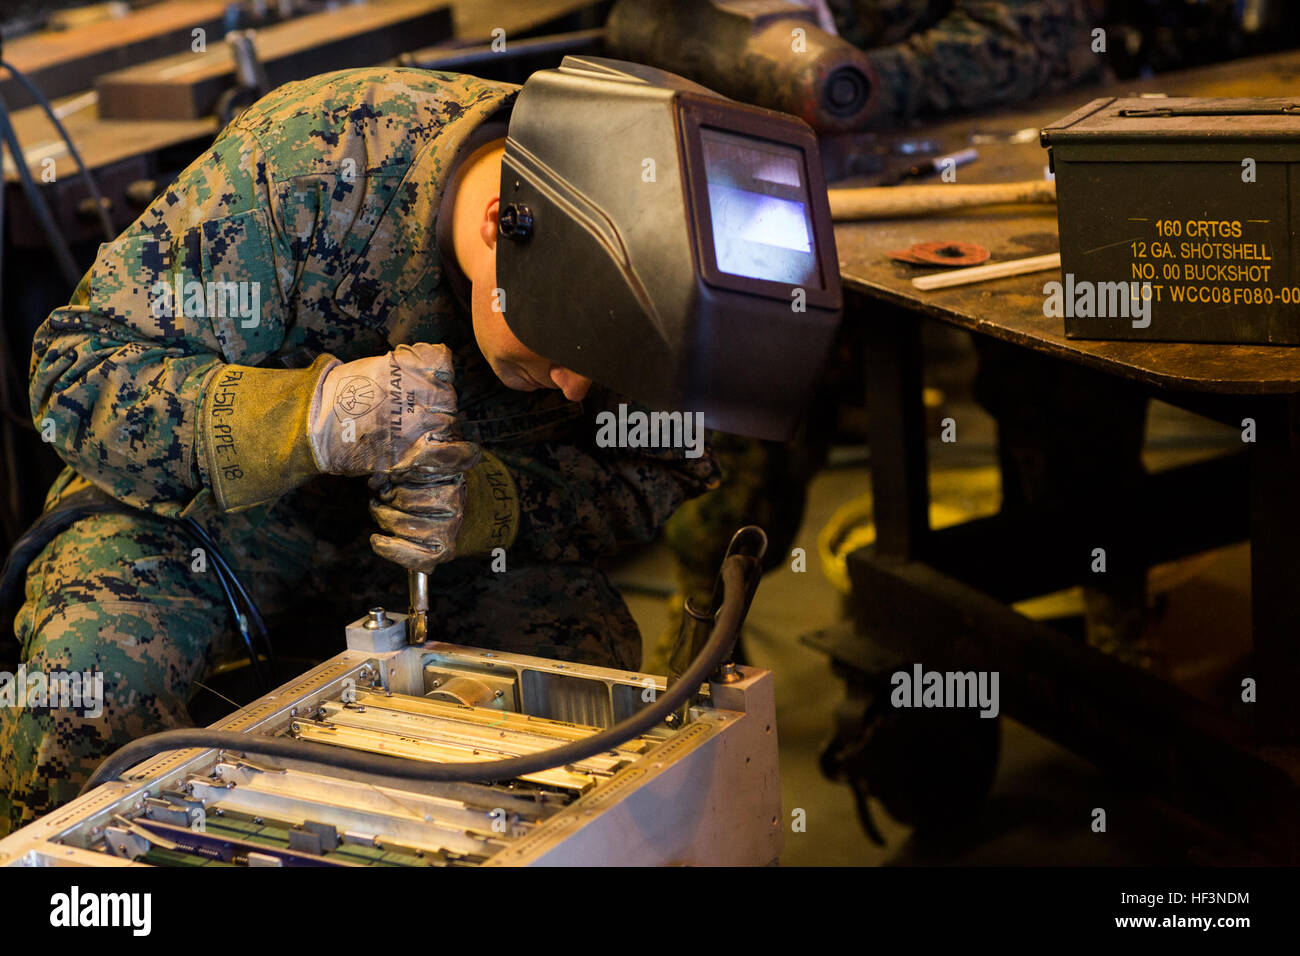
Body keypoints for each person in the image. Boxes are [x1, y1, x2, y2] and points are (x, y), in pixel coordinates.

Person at [0, 66, 719, 834]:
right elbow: (74, 370)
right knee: (85, 693)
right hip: (205, 519)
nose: (575, 388)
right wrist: (304, 418)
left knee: (580, 698)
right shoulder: (308, 164)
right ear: (500, 224)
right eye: (564, 348)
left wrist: (493, 504)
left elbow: (655, 469)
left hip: (445, 550)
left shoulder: (659, 249)